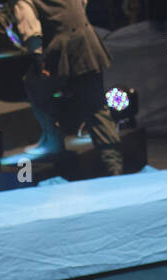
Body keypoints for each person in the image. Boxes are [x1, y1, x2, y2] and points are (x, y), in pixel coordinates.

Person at [11, 0, 124, 175]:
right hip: (86, 40)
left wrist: (38, 59)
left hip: (61, 46)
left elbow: (30, 29)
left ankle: (53, 140)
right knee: (97, 107)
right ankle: (114, 165)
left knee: (34, 85)